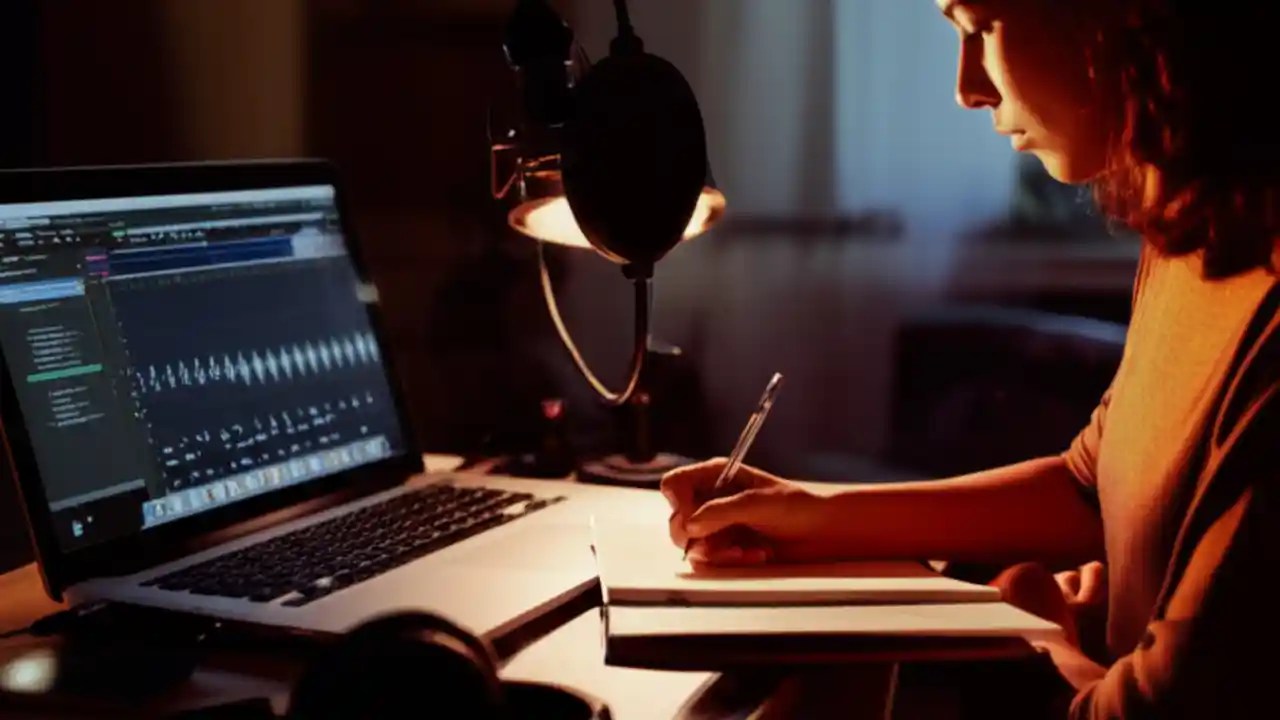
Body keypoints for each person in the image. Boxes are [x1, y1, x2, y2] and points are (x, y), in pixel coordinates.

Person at [663, 1, 1280, 718]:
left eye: (978, 27)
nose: (968, 86)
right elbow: (1090, 486)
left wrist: (1039, 627)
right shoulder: (1193, 238)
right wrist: (808, 511)